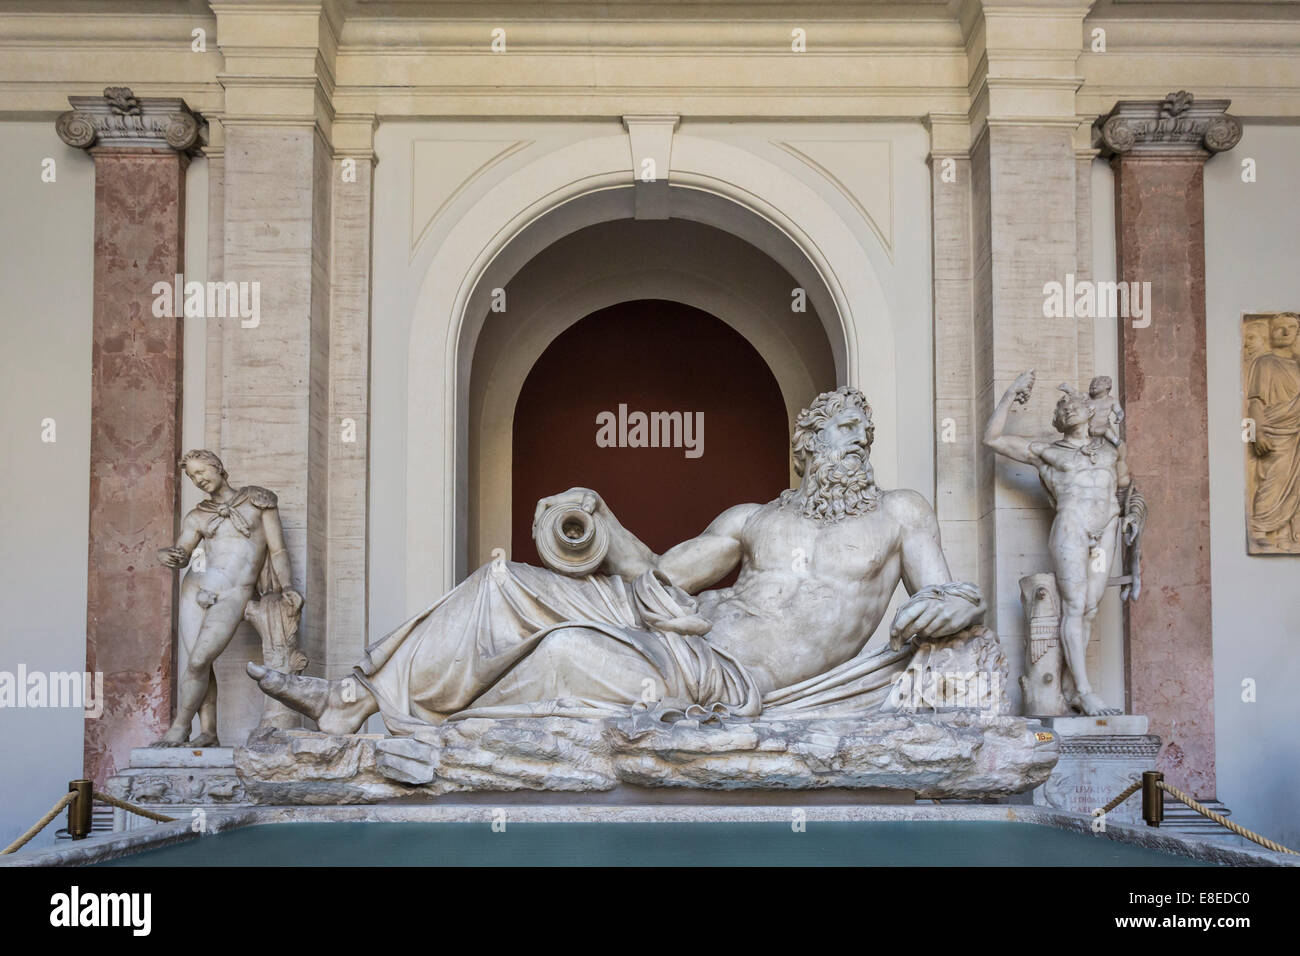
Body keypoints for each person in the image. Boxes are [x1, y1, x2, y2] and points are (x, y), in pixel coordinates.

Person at [251, 387, 996, 735]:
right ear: (806, 447)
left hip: (727, 677)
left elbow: (951, 594)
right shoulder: (753, 519)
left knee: (568, 651)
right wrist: (598, 523)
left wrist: (954, 604)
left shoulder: (900, 511)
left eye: (863, 434)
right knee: (500, 582)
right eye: (841, 434)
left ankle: (426, 729)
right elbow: (660, 578)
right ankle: (352, 702)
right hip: (684, 629)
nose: (857, 447)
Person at [154, 450, 300, 746]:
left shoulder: (259, 501)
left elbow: (278, 551)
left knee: (198, 660)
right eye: (192, 476)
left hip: (232, 592)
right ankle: (208, 732)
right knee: (198, 663)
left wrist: (287, 586)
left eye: (202, 472)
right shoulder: (198, 515)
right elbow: (183, 554)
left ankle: (180, 728)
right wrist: (167, 555)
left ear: (218, 467)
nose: (198, 480)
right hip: (195, 589)